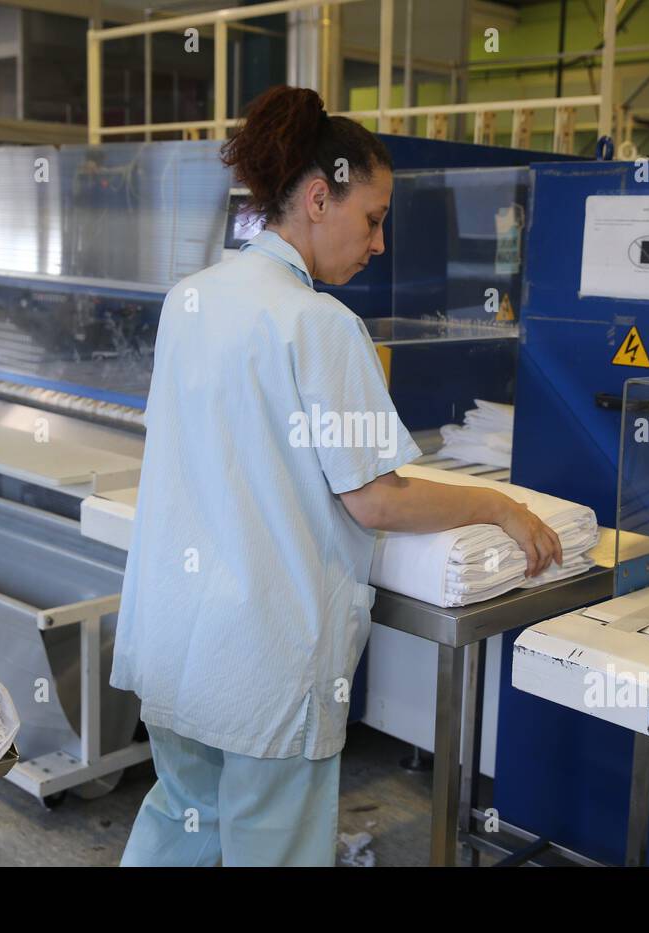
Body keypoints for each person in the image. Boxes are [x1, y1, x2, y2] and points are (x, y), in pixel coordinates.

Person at [111, 85, 563, 867]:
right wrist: (496, 505)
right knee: (272, 845)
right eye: (374, 218)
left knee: (185, 817)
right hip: (261, 658)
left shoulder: (192, 299)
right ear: (319, 198)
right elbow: (375, 499)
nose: (379, 244)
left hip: (174, 639)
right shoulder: (319, 324)